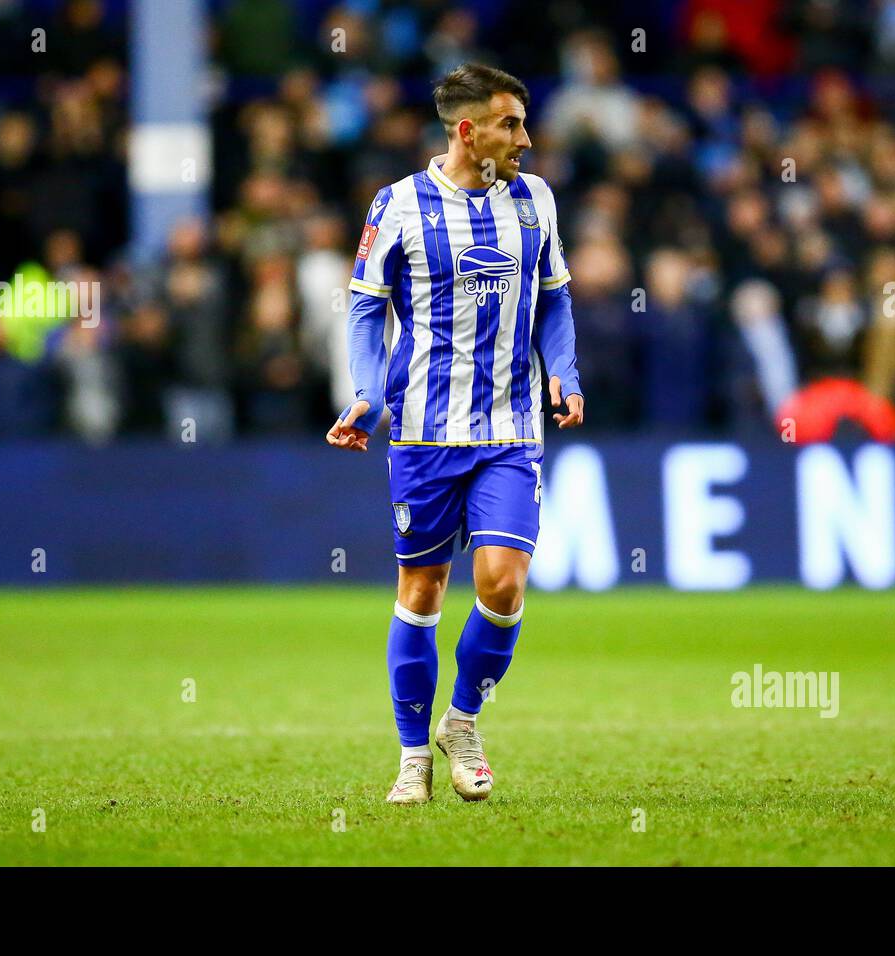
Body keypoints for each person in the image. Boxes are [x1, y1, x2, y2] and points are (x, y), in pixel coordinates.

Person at [325, 63, 584, 804]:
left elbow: (555, 300)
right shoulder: (399, 205)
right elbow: (365, 309)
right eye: (511, 125)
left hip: (510, 429)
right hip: (424, 432)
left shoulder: (536, 201)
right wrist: (369, 395)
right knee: (422, 590)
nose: (526, 140)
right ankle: (413, 755)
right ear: (468, 132)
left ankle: (463, 721)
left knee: (502, 583)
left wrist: (562, 372)